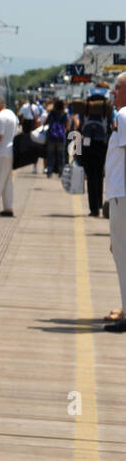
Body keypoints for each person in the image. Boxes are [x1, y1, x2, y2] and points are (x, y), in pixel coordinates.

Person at [104, 73, 126, 332]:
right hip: (120, 194)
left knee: (122, 254)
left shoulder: (123, 115)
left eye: (117, 88)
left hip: (122, 195)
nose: (112, 93)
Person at [0, 96, 18, 215]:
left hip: (1, 153)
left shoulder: (0, 118)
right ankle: (8, 207)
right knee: (7, 182)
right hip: (11, 152)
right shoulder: (11, 114)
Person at [83, 92, 112, 217]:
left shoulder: (85, 108)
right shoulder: (107, 109)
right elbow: (112, 126)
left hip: (87, 144)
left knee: (90, 177)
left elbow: (78, 128)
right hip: (102, 145)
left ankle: (93, 209)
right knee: (100, 174)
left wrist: (77, 153)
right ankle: (100, 203)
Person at [45, 99, 69, 177]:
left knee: (50, 155)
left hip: (51, 137)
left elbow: (46, 122)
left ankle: (49, 172)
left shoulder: (51, 113)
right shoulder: (64, 114)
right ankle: (61, 172)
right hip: (61, 137)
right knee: (61, 156)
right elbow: (67, 126)